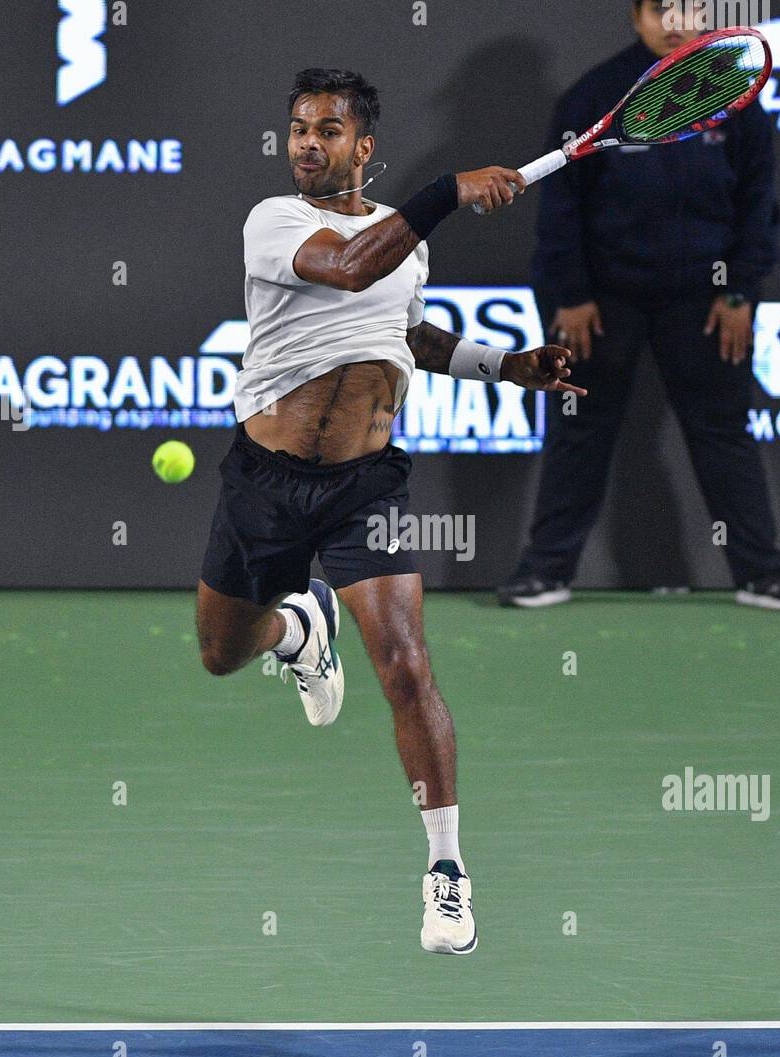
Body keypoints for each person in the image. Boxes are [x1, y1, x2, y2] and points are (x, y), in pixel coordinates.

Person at [197, 69, 580, 954]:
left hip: (365, 486)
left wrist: (508, 367)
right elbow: (347, 268)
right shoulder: (276, 222)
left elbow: (406, 333)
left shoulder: (403, 244)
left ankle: (447, 873)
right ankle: (296, 632)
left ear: (363, 147)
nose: (305, 144)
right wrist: (447, 191)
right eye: (297, 128)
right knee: (221, 653)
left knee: (406, 667)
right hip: (264, 480)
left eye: (327, 131)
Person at [498, 0, 780, 611]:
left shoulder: (732, 93)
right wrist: (572, 294)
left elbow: (758, 204)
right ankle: (544, 571)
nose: (676, 20)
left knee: (723, 433)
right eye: (660, 8)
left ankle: (762, 574)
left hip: (705, 300)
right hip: (603, 302)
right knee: (579, 432)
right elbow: (561, 208)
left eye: (691, 8)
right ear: (636, 16)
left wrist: (740, 292)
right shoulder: (591, 97)